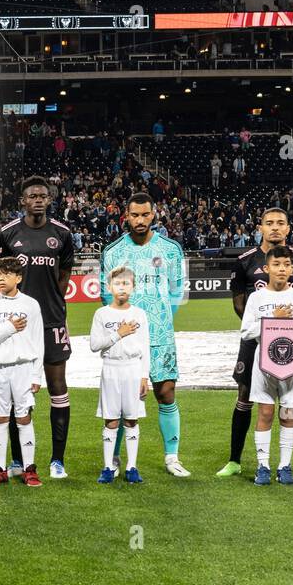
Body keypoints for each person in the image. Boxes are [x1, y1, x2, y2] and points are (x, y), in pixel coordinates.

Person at [220, 208, 293, 477]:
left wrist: (287, 328)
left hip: (289, 342)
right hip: (255, 342)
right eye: (269, 223)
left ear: (289, 228)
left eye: (280, 223)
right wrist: (266, 326)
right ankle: (235, 460)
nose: (275, 228)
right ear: (260, 227)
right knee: (245, 395)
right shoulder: (244, 262)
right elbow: (240, 306)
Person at [98, 193, 190, 477]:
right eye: (135, 215)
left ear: (153, 215)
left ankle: (172, 457)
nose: (140, 220)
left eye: (145, 215)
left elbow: (177, 291)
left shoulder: (171, 250)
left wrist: (161, 321)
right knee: (122, 400)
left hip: (161, 335)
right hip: (126, 338)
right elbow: (105, 295)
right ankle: (113, 460)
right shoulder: (113, 252)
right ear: (126, 215)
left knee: (166, 392)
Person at [0, 177, 75, 479]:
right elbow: (2, 274)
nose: (38, 199)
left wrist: (50, 299)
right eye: (32, 196)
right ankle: (17, 460)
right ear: (23, 201)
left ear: (49, 200)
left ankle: (57, 460)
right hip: (17, 325)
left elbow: (64, 273)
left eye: (43, 195)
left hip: (52, 320)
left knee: (57, 388)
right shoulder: (7, 234)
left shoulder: (62, 234)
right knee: (18, 394)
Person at [240, 247, 293, 485]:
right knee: (265, 412)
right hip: (263, 364)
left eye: (287, 264)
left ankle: (284, 466)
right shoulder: (256, 298)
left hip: (291, 364)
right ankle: (263, 466)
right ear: (267, 268)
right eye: (277, 264)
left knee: (287, 413)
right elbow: (246, 331)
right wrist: (274, 320)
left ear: (292, 269)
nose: (282, 268)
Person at [0, 258, 44, 487]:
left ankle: (29, 469)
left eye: (6, 274)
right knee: (0, 418)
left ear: (19, 277)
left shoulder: (31, 305)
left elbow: (38, 342)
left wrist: (37, 375)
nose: (1, 279)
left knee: (24, 418)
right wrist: (8, 328)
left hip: (24, 368)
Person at [89, 267, 149, 484]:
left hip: (133, 369)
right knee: (111, 420)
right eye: (117, 284)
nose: (121, 288)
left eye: (126, 283)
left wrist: (145, 376)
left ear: (133, 287)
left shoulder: (139, 314)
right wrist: (117, 334)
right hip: (111, 368)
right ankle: (108, 467)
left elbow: (145, 348)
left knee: (132, 420)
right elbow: (94, 345)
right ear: (109, 287)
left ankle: (132, 467)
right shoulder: (101, 314)